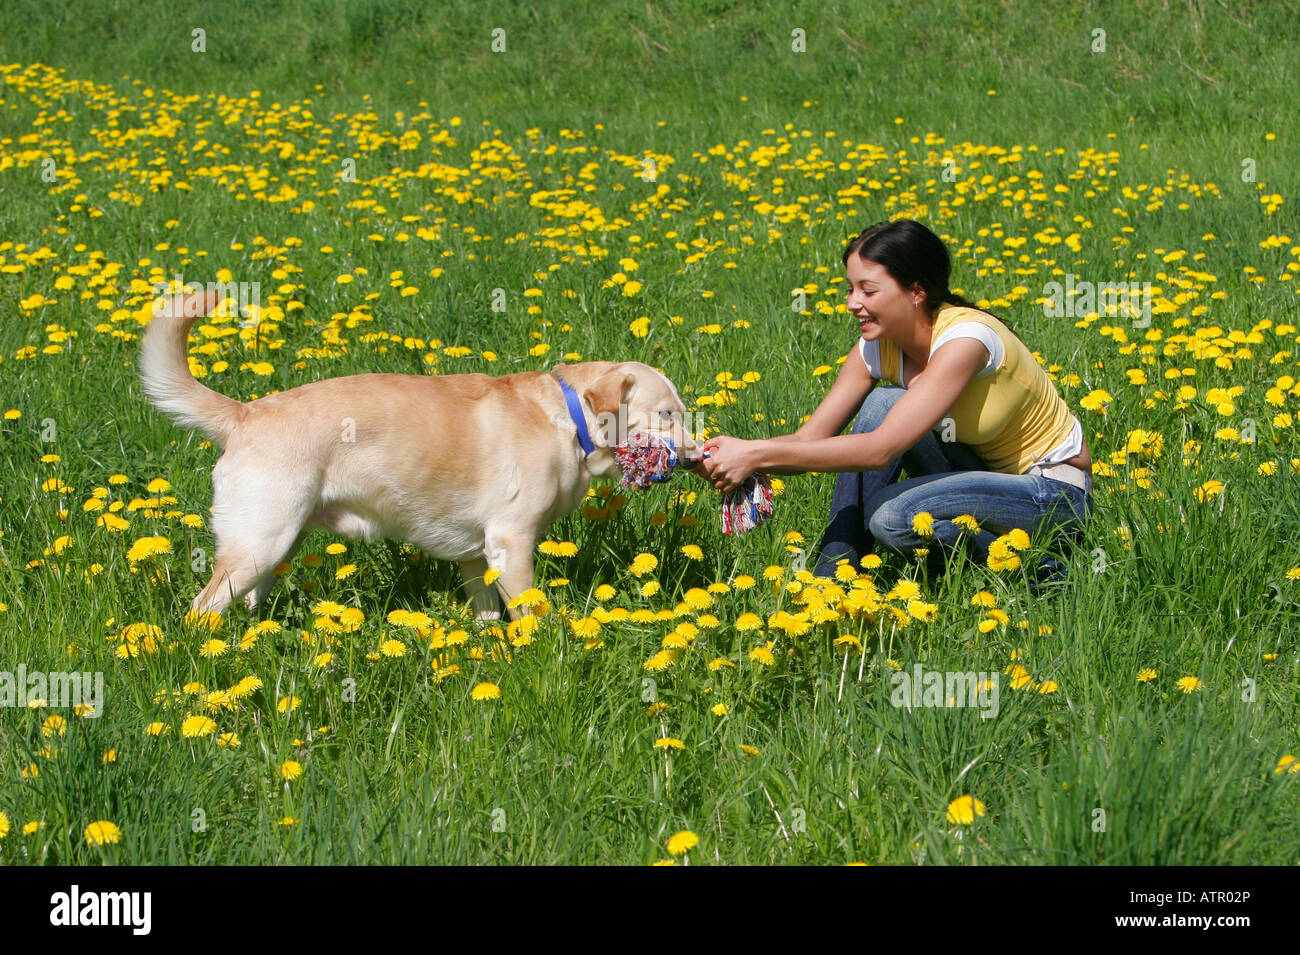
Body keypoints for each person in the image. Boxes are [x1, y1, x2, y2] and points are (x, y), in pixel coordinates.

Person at [695, 219, 1093, 588]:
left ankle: (1041, 566)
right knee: (884, 401)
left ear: (916, 291)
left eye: (868, 291)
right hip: (977, 473)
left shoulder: (967, 339)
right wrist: (723, 456)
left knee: (892, 517)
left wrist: (756, 455)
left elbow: (879, 450)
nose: (852, 303)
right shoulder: (876, 348)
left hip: (1050, 493)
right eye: (850, 289)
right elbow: (809, 439)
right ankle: (833, 576)